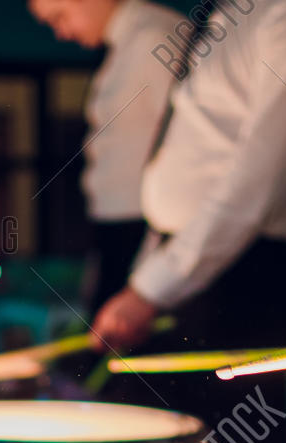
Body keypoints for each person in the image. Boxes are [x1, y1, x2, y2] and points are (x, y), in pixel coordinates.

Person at [91, 0, 286, 443]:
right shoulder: (227, 14)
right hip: (181, 264)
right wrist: (142, 281)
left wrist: (150, 290)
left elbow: (258, 184)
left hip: (240, 272)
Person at [28, 0, 178, 312]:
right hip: (121, 234)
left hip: (147, 236)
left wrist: (152, 270)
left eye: (59, 18)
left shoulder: (156, 38)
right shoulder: (124, 44)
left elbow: (184, 155)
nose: (61, 33)